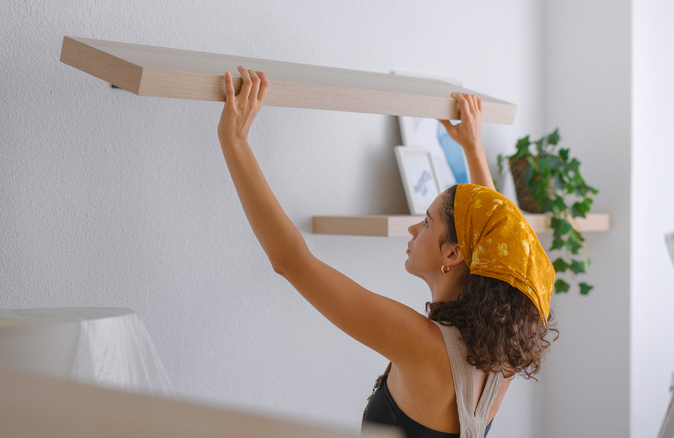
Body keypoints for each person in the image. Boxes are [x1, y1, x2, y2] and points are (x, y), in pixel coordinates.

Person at [217, 67, 557, 438]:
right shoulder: (501, 357)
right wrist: (471, 147)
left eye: (427, 222)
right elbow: (500, 235)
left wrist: (235, 142)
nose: (414, 228)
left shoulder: (420, 342)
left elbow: (292, 263)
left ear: (454, 254)